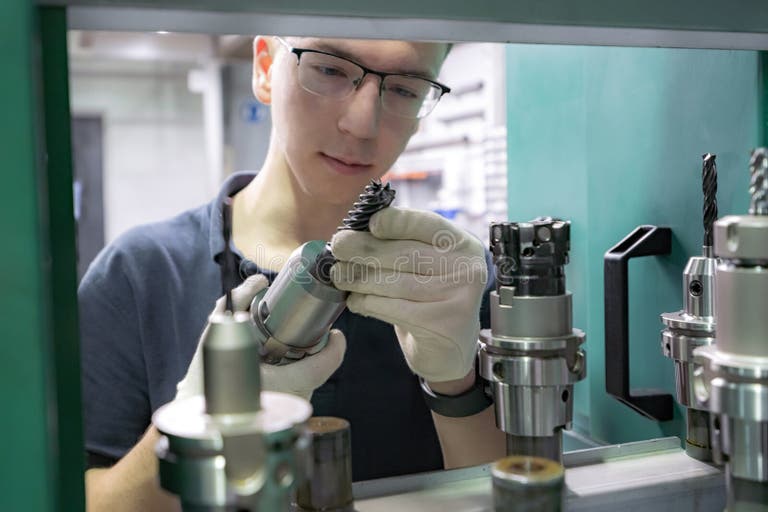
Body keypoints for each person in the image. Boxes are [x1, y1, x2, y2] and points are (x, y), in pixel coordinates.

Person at [80, 35, 505, 511]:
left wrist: (455, 388)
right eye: (329, 69)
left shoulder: (451, 282)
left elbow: (516, 492)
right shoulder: (139, 275)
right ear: (264, 67)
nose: (362, 123)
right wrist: (197, 422)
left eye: (406, 89)